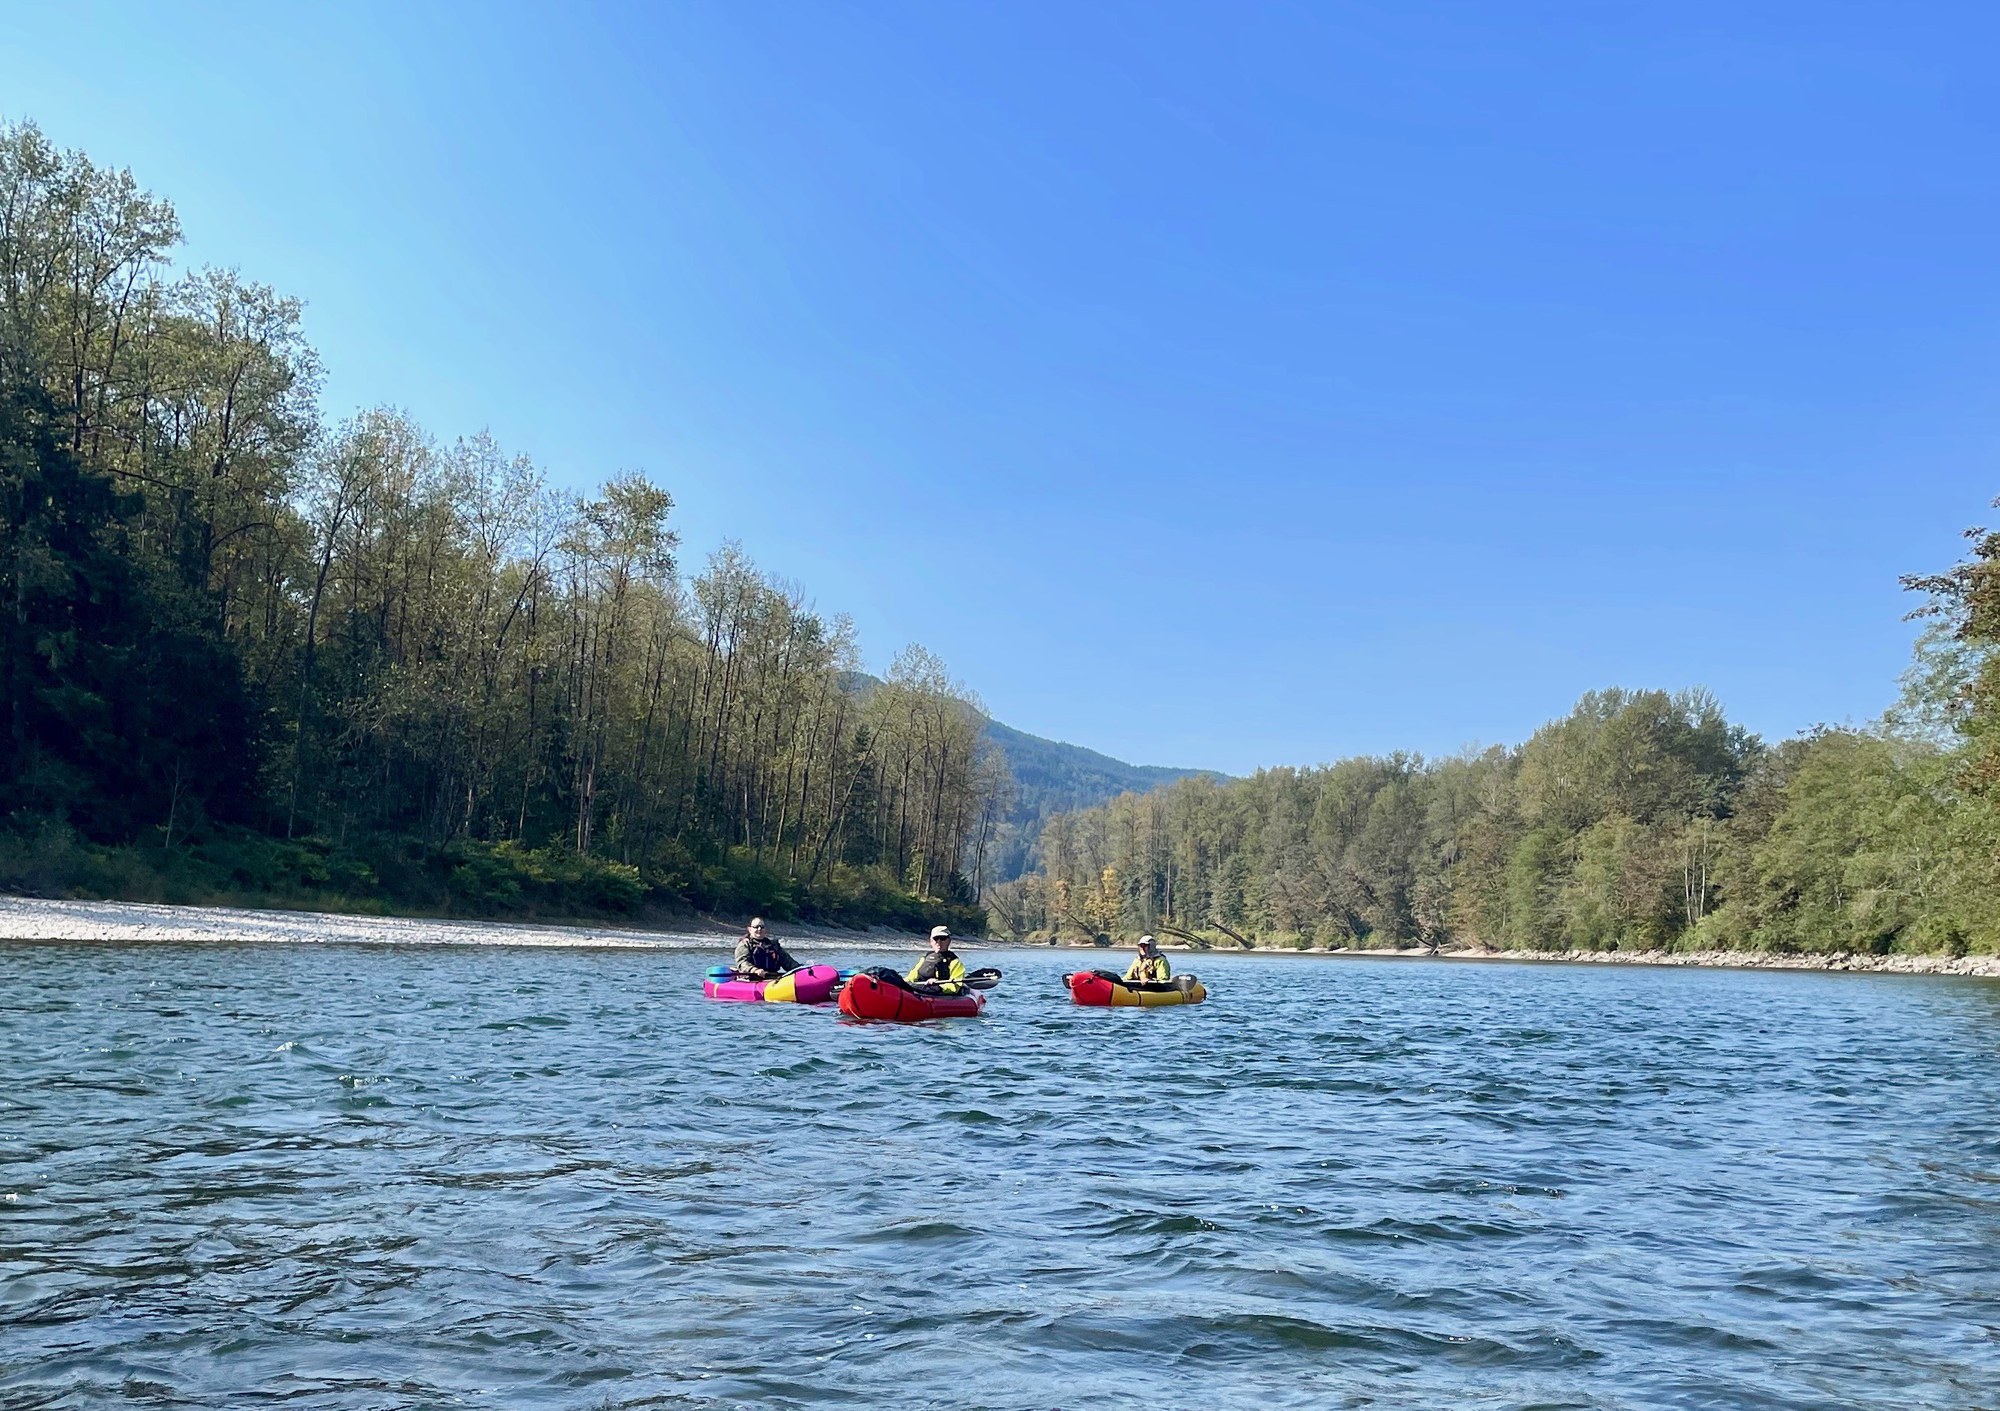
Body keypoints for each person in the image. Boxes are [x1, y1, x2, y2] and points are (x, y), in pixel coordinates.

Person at [733, 917, 803, 980]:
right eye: (756, 927)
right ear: (750, 929)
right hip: (752, 979)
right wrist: (754, 970)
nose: (759, 929)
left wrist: (801, 969)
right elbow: (742, 963)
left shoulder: (773, 945)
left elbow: (789, 962)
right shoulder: (745, 944)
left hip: (772, 978)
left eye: (762, 927)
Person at [905, 925, 967, 994]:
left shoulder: (955, 962)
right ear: (931, 941)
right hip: (922, 991)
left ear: (949, 941)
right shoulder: (924, 959)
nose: (939, 942)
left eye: (942, 938)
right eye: (936, 938)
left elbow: (955, 987)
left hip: (940, 995)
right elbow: (910, 978)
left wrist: (938, 986)